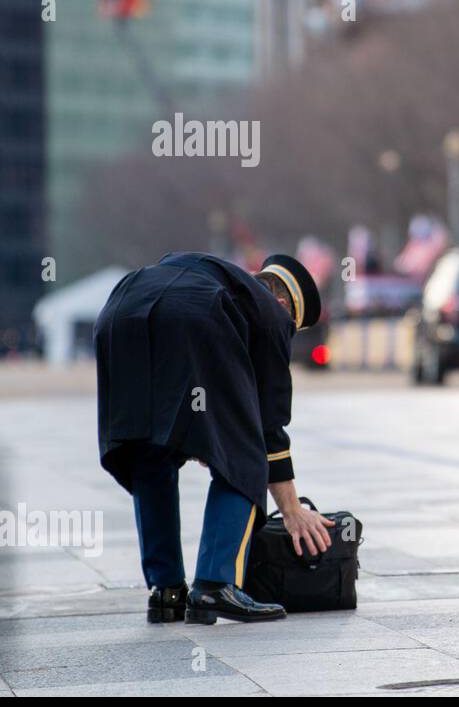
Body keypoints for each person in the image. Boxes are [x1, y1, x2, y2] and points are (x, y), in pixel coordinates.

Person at [94, 252, 335, 624]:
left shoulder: (214, 275)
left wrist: (210, 434)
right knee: (246, 451)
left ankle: (166, 591)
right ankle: (215, 583)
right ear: (285, 305)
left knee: (148, 450)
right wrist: (291, 509)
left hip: (121, 309)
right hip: (194, 320)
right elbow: (267, 426)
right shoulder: (271, 315)